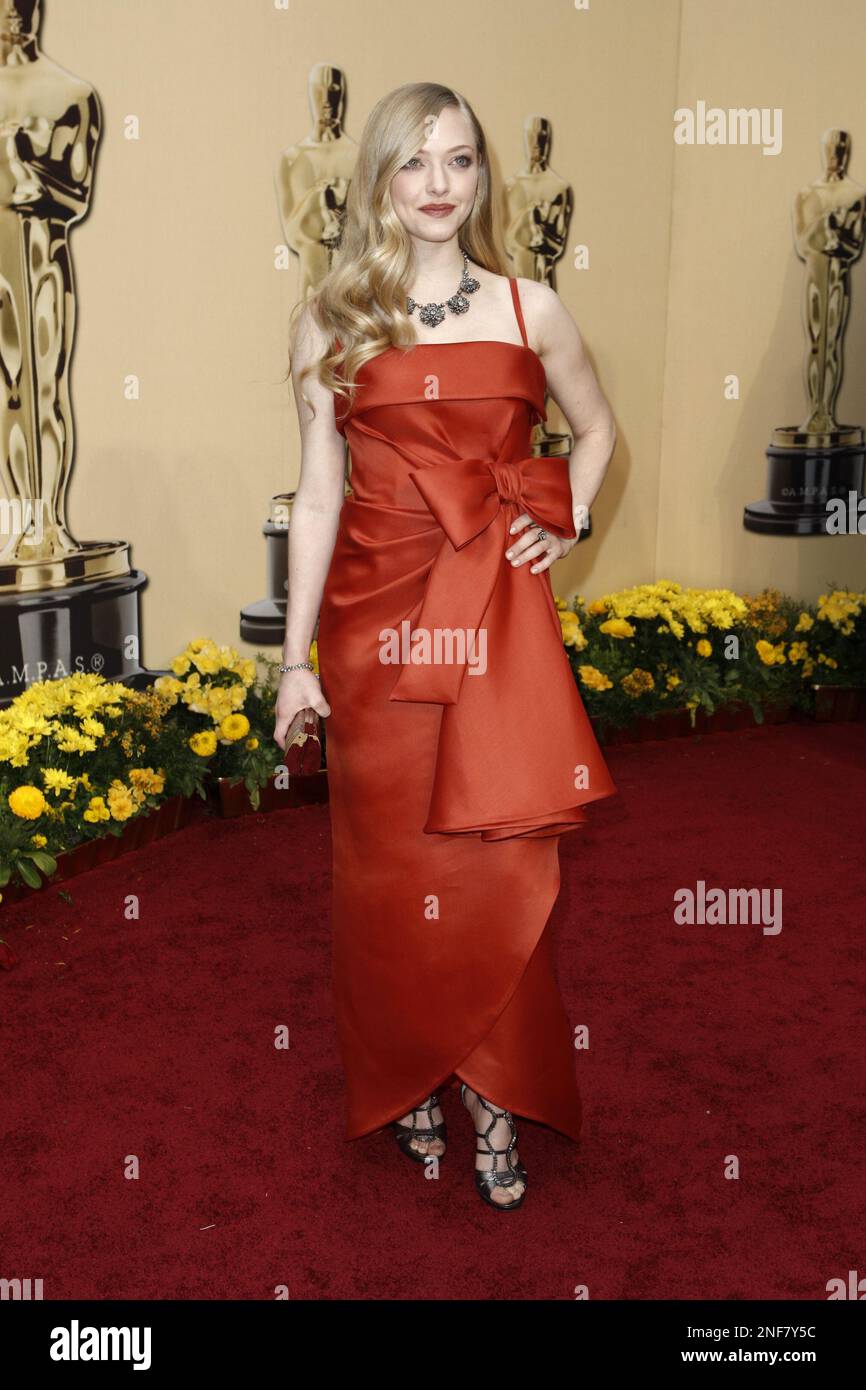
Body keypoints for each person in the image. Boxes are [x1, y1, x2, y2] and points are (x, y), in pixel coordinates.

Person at [274, 81, 617, 1210]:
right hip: (373, 636)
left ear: (482, 177)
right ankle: (408, 1072)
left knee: (493, 854)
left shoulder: (531, 307)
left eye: (458, 162)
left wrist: (559, 522)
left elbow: (599, 429)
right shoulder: (331, 318)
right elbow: (317, 497)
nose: (436, 185)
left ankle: (497, 1087)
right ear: (378, 178)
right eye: (413, 163)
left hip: (494, 627)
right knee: (390, 872)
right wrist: (291, 663)